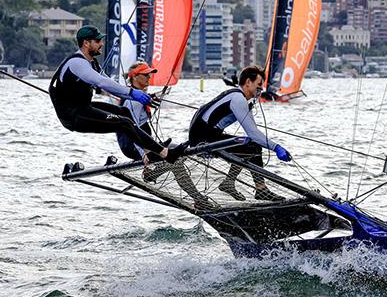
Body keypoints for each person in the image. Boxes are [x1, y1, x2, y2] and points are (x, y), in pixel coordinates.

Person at [49, 25, 185, 164]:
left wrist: (141, 96)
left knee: (124, 112)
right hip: (73, 115)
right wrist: (133, 93)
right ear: (86, 43)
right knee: (123, 123)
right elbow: (101, 82)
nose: (101, 44)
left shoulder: (92, 63)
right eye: (98, 41)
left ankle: (149, 151)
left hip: (83, 107)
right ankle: (166, 154)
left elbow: (109, 84)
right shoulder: (77, 63)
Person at [117, 61, 215, 210]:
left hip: (145, 143)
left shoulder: (138, 95)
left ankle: (153, 175)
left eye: (150, 74)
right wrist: (144, 154)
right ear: (135, 77)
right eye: (146, 75)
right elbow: (132, 129)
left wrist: (156, 96)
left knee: (179, 150)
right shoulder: (133, 101)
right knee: (176, 161)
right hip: (133, 145)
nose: (149, 77)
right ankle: (198, 199)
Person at [188, 64, 292, 202]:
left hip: (206, 135)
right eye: (259, 84)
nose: (261, 88)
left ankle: (229, 183)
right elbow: (253, 133)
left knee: (246, 147)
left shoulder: (235, 96)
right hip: (203, 139)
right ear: (248, 82)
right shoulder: (237, 98)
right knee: (253, 147)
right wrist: (276, 147)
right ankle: (261, 190)